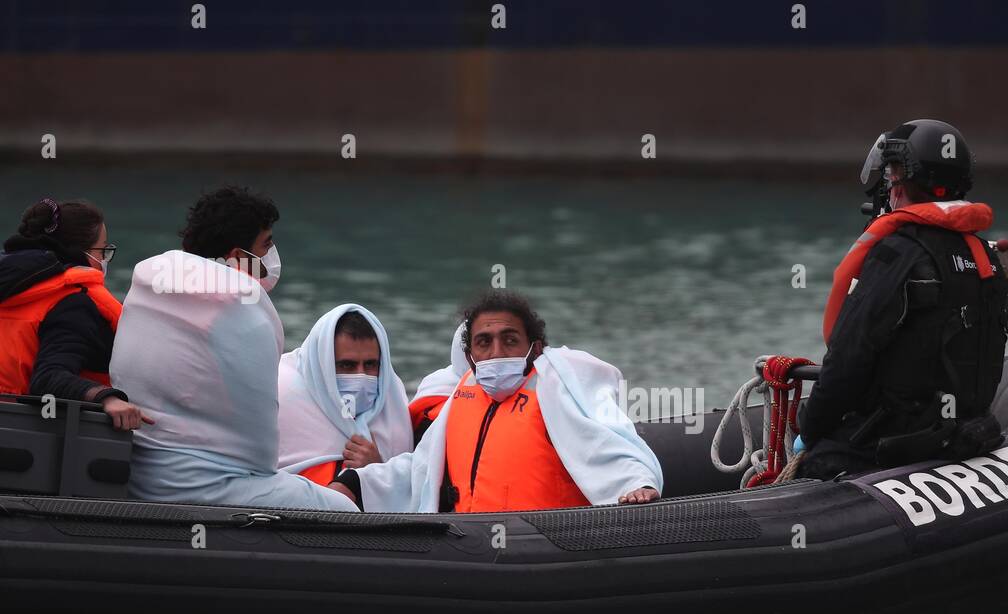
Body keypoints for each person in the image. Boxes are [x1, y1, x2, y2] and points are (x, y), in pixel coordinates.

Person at [796, 119, 1008, 480]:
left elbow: (848, 358)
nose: (888, 184)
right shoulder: (984, 256)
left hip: (896, 444)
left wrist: (808, 429)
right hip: (965, 435)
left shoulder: (897, 254)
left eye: (893, 172)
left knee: (816, 461)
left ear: (908, 178)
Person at [109, 186, 356, 510]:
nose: (272, 255)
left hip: (136, 473)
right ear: (239, 256)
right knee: (344, 509)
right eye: (266, 244)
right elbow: (261, 456)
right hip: (206, 489)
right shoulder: (243, 313)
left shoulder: (145, 285)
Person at [328, 291, 662, 512]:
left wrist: (637, 482)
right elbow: (420, 469)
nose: (496, 352)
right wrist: (356, 484)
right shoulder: (463, 394)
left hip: (550, 543)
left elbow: (608, 437)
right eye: (484, 342)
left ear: (536, 347)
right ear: (470, 354)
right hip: (472, 544)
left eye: (510, 339)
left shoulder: (558, 386)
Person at [0, 198, 150, 430]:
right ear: (79, 252)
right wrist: (105, 397)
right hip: (24, 437)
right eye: (102, 251)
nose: (103, 260)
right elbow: (48, 378)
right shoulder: (72, 303)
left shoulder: (10, 287)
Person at [277, 304, 413, 486]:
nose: (361, 376)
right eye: (347, 365)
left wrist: (377, 471)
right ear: (322, 365)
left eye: (371, 365)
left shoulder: (394, 407)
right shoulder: (281, 397)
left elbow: (410, 495)